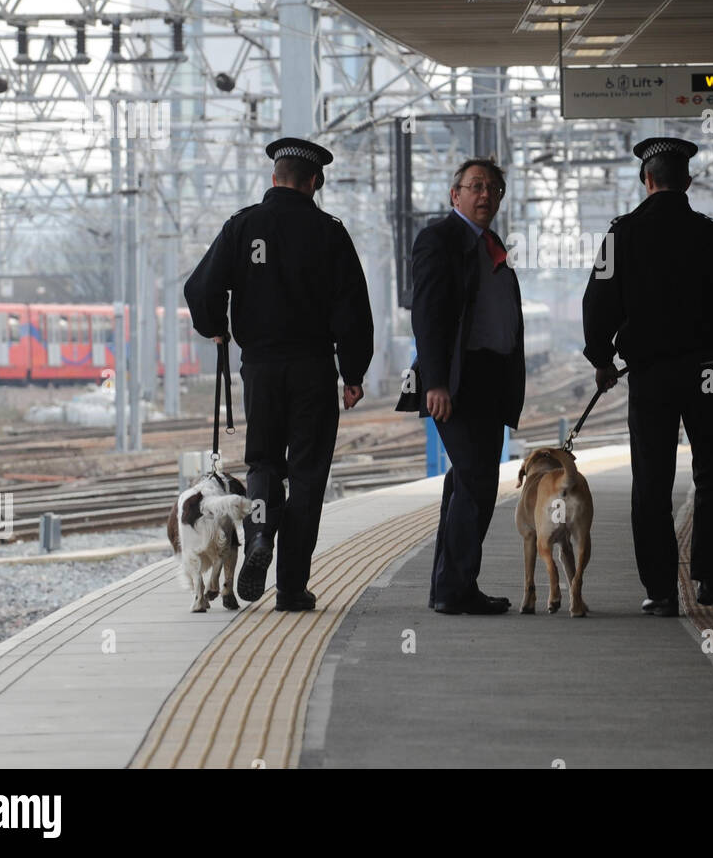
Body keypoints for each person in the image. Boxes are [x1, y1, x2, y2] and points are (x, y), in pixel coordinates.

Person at [184, 137, 373, 613]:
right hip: (313, 370)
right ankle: (291, 587)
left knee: (264, 464)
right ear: (315, 182)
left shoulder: (243, 226)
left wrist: (217, 329)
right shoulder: (330, 232)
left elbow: (200, 287)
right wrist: (352, 372)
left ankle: (261, 530)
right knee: (308, 477)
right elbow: (353, 309)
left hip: (261, 369)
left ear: (274, 178)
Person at [582, 136, 713, 616]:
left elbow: (596, 303)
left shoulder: (619, 236)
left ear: (647, 180)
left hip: (649, 376)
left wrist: (602, 359)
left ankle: (662, 592)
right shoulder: (712, 235)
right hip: (704, 370)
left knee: (651, 482)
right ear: (687, 180)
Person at [410, 157, 525, 615]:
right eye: (475, 186)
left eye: (493, 188)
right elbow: (428, 314)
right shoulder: (438, 240)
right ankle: (456, 589)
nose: (484, 195)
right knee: (477, 483)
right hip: (458, 382)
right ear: (454, 195)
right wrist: (435, 382)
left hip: (489, 381)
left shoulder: (490, 242)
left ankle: (449, 586)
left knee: (464, 483)